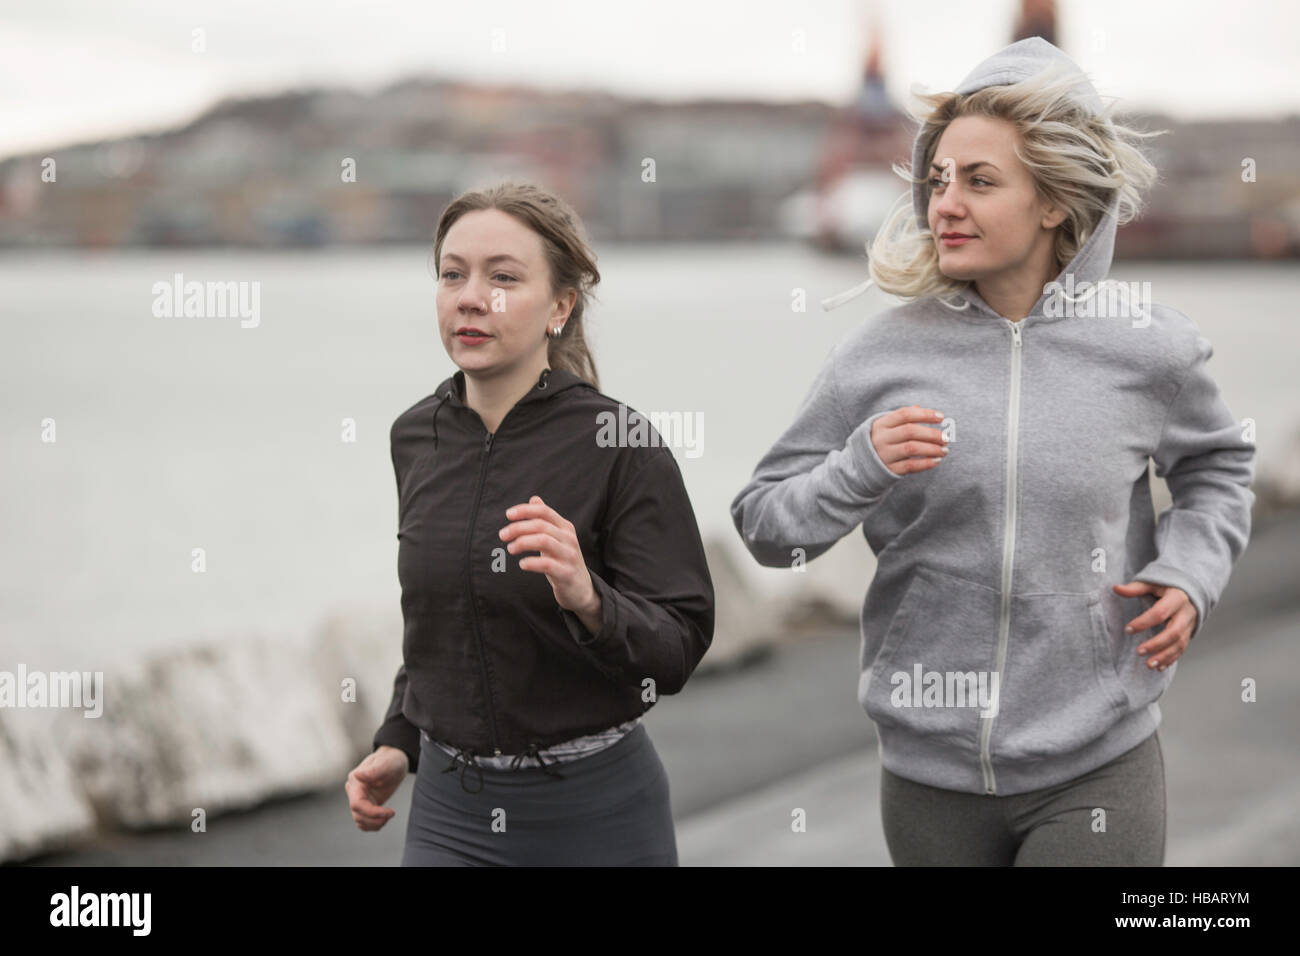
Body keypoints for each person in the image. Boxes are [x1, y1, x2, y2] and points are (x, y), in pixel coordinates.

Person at [730, 37, 1255, 865]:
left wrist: (1190, 573)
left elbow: (1219, 469)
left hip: (1096, 766)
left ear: (1053, 202)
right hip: (928, 775)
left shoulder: (1148, 350)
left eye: (979, 181)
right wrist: (858, 466)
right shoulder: (880, 355)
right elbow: (766, 525)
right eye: (937, 181)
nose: (944, 204)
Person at [344, 180, 715, 865]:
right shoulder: (415, 437)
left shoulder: (621, 443)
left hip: (597, 815)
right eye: (452, 275)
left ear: (561, 306)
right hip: (449, 815)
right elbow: (439, 621)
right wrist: (398, 738)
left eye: (504, 277)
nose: (471, 297)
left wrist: (589, 598)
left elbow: (679, 646)